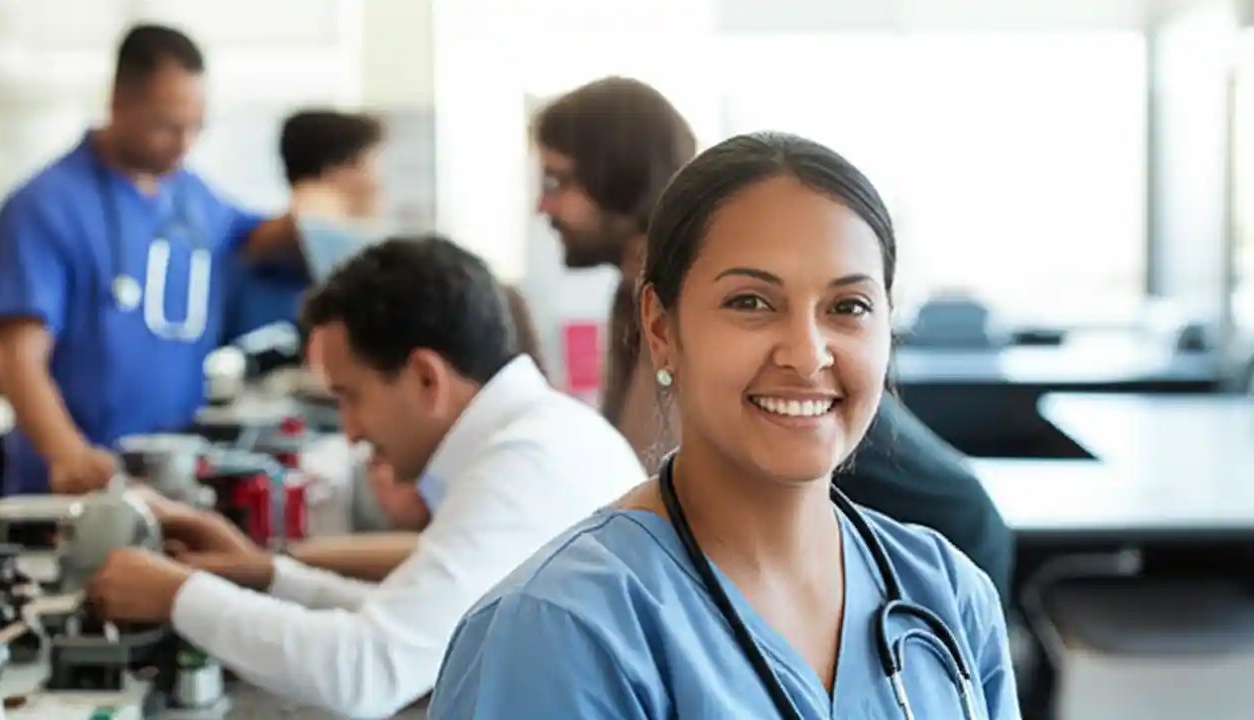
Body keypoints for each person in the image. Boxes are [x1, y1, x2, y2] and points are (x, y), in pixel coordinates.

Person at [430, 132, 1020, 719]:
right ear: (661, 330)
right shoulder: (558, 630)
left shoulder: (949, 596)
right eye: (751, 302)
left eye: (848, 307)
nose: (807, 353)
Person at [85, 236, 644, 717]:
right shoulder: (538, 437)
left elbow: (367, 672)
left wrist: (178, 593)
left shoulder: (527, 464)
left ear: (426, 377)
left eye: (351, 398)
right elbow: (410, 619)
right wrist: (269, 577)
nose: (350, 434)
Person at [533, 76, 1014, 597]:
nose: (544, 206)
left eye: (559, 182)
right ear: (658, 322)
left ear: (617, 176)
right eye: (750, 303)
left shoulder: (683, 296)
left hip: (942, 546)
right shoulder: (647, 295)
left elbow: (633, 477)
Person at [0, 24, 299, 498]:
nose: (183, 143)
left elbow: (260, 239)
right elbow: (17, 358)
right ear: (118, 103)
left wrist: (328, 210)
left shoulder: (192, 197)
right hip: (74, 490)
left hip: (173, 478)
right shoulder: (45, 207)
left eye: (195, 126)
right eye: (165, 125)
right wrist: (66, 453)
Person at [223, 110, 386, 340]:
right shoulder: (267, 238)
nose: (379, 183)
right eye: (372, 166)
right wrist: (317, 199)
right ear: (336, 171)